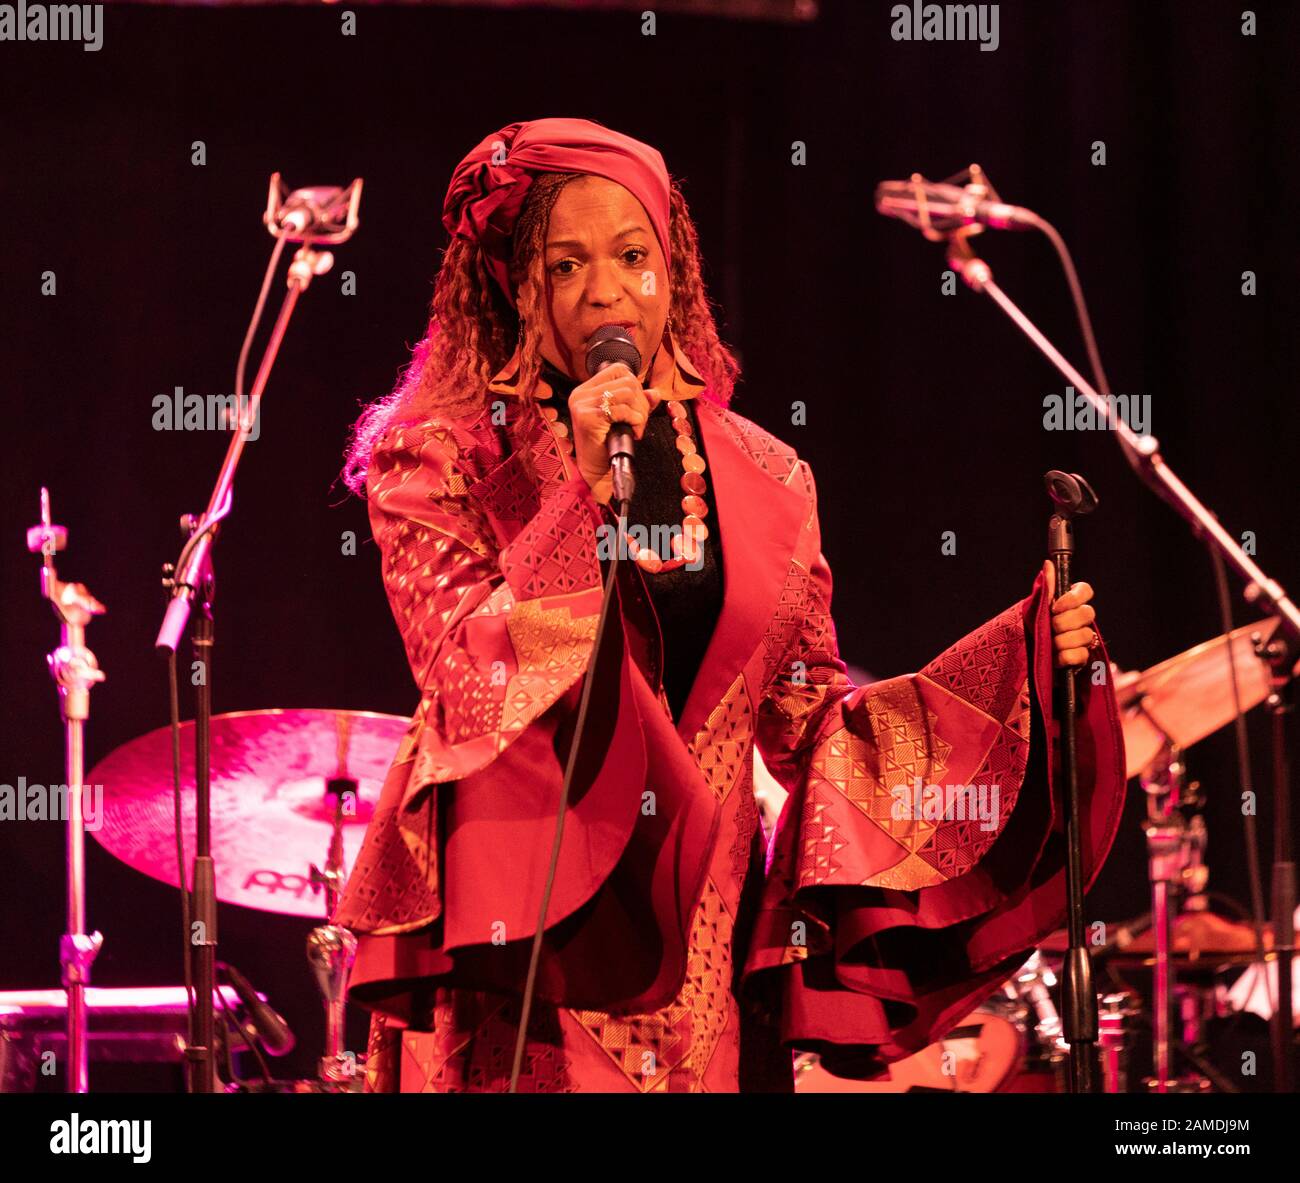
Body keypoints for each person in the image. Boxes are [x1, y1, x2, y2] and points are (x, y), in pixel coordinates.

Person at [333, 117, 1126, 1092]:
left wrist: (1017, 678)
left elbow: (812, 733)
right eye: (566, 262)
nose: (606, 291)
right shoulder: (442, 453)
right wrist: (582, 493)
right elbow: (461, 675)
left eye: (632, 255)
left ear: (674, 269)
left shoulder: (770, 478)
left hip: (703, 957)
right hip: (522, 944)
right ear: (513, 279)